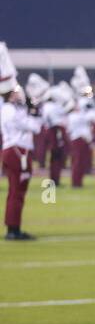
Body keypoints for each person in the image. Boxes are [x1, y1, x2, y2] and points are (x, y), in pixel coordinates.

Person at [1, 70, 42, 241]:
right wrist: (34, 114)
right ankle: (13, 229)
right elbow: (34, 127)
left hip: (16, 150)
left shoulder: (10, 108)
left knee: (16, 191)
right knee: (17, 191)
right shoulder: (10, 110)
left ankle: (13, 226)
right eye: (16, 90)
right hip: (17, 152)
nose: (19, 92)